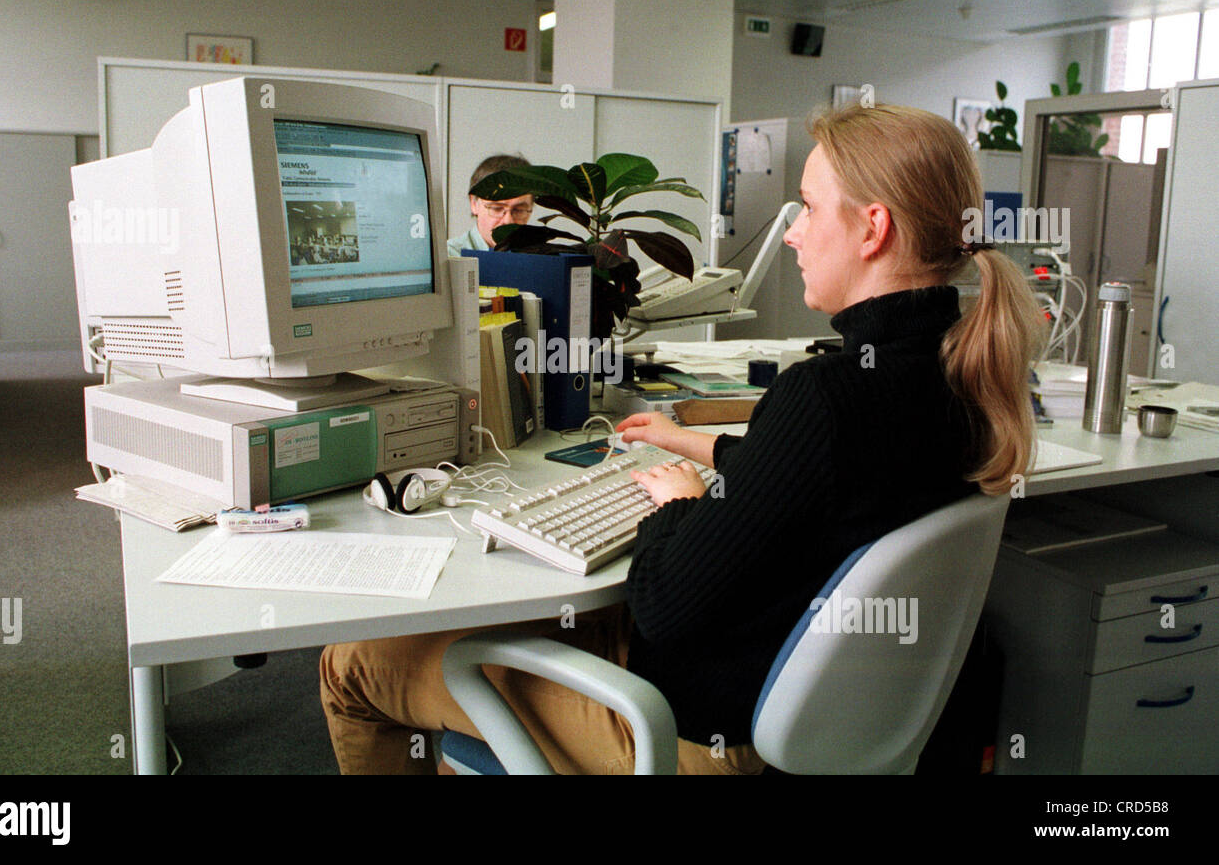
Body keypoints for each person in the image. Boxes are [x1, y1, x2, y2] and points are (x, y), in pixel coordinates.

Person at [320, 103, 1042, 774]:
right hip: (812, 718)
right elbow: (825, 489)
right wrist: (706, 451)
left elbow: (662, 601)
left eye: (810, 208)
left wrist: (681, 503)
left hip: (699, 732)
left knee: (353, 663)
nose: (791, 231)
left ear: (873, 228)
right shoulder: (968, 372)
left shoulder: (827, 395)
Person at [446, 154, 535, 257]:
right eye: (497, 208)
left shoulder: (543, 259)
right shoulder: (446, 257)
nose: (508, 221)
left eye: (519, 210)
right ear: (474, 203)